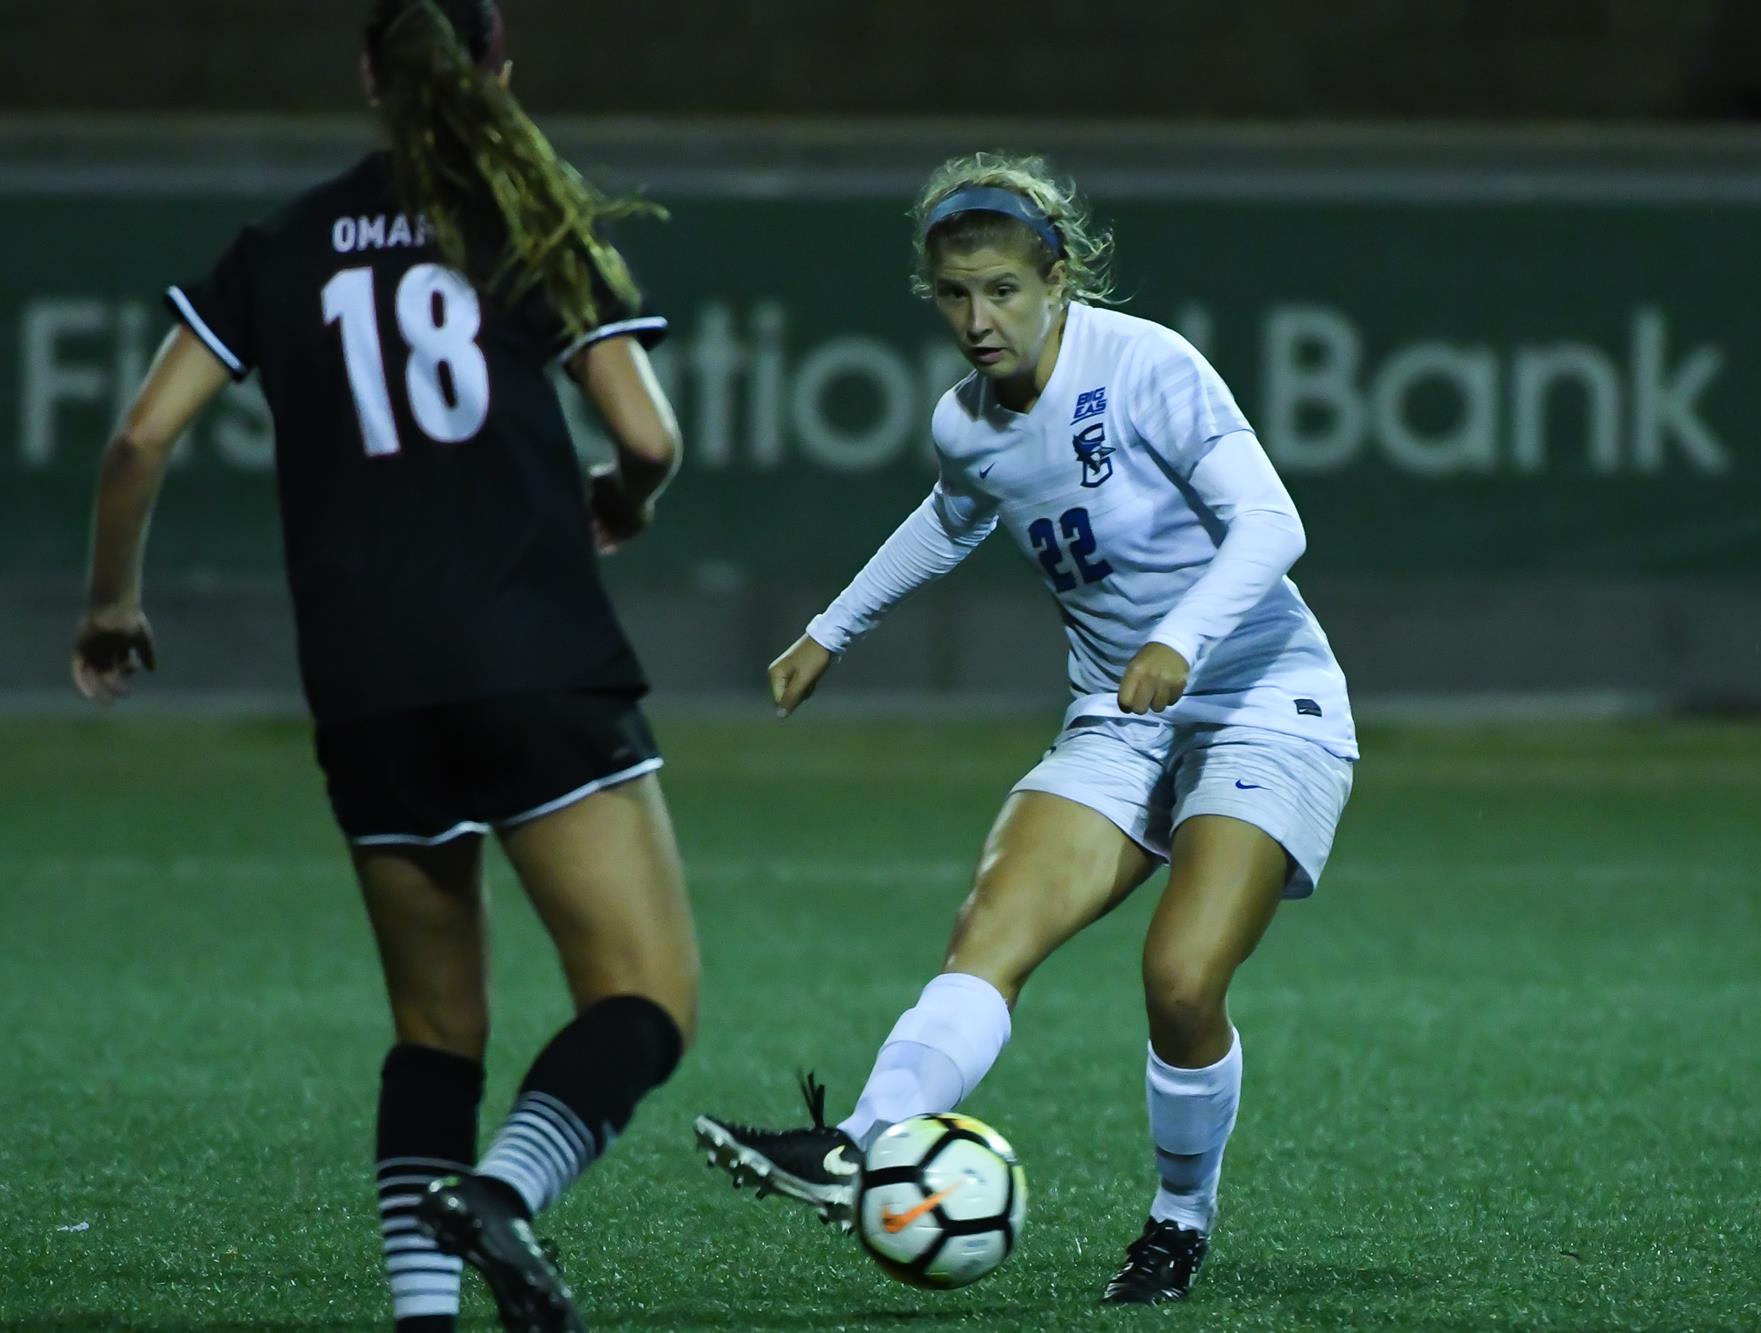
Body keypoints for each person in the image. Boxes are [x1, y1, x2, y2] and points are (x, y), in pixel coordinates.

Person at [70, 3, 697, 1329]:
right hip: (536, 658)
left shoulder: (284, 245)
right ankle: (508, 1193)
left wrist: (111, 605)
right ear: (498, 69)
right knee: (644, 995)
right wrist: (627, 500)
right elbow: (646, 436)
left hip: (366, 687)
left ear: (367, 78)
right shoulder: (530, 217)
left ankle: (424, 1319)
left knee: (433, 1027)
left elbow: (136, 441)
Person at [693, 152, 1358, 1306]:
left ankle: (1177, 1219)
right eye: (953, 295)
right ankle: (859, 1138)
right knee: (989, 929)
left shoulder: (1145, 363)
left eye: (1001, 289)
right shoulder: (965, 424)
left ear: (1056, 278)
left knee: (1182, 979)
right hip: (1114, 713)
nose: (976, 318)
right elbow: (948, 519)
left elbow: (1270, 522)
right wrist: (827, 631)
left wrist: (1179, 641)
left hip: (1259, 699)